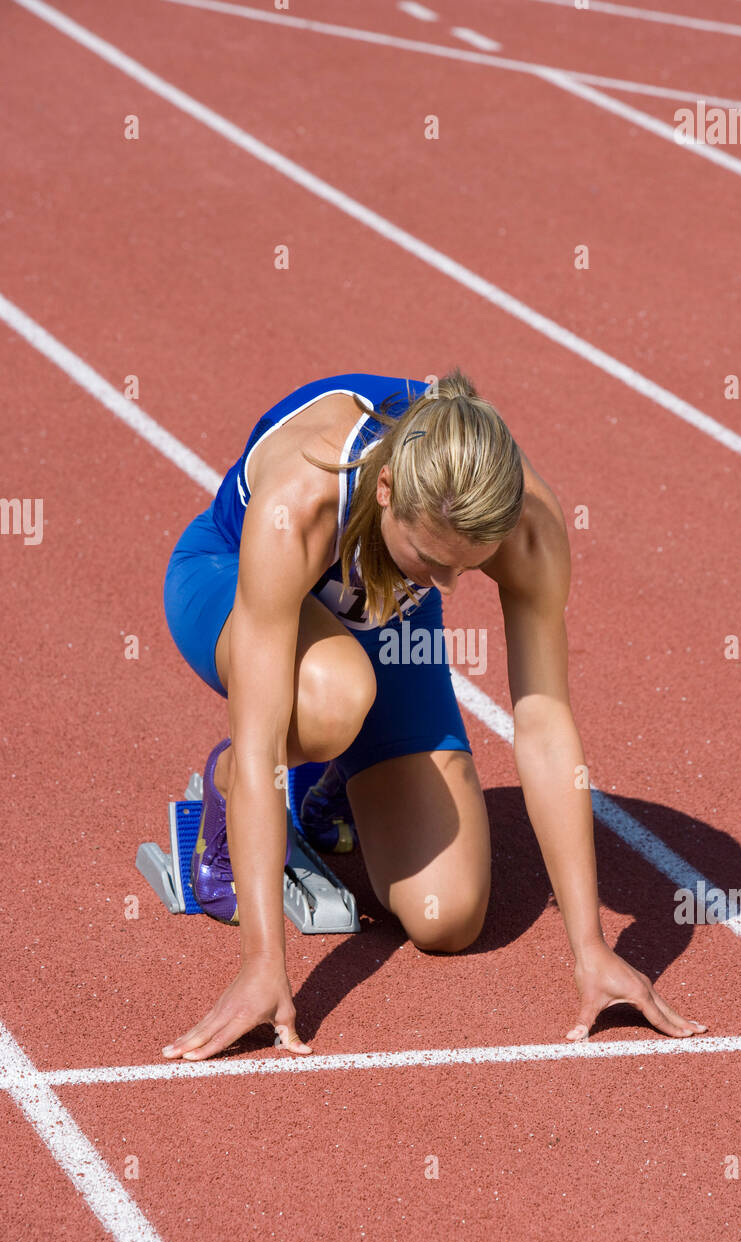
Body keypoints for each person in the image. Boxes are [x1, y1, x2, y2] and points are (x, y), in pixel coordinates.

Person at [161, 369, 706, 1061]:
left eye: (465, 569)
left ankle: (334, 783)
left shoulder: (524, 524)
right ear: (385, 491)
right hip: (228, 579)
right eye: (434, 561)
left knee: (447, 917)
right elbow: (266, 737)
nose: (447, 584)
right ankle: (226, 782)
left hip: (384, 612)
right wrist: (262, 964)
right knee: (332, 698)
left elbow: (542, 726)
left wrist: (590, 947)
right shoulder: (298, 504)